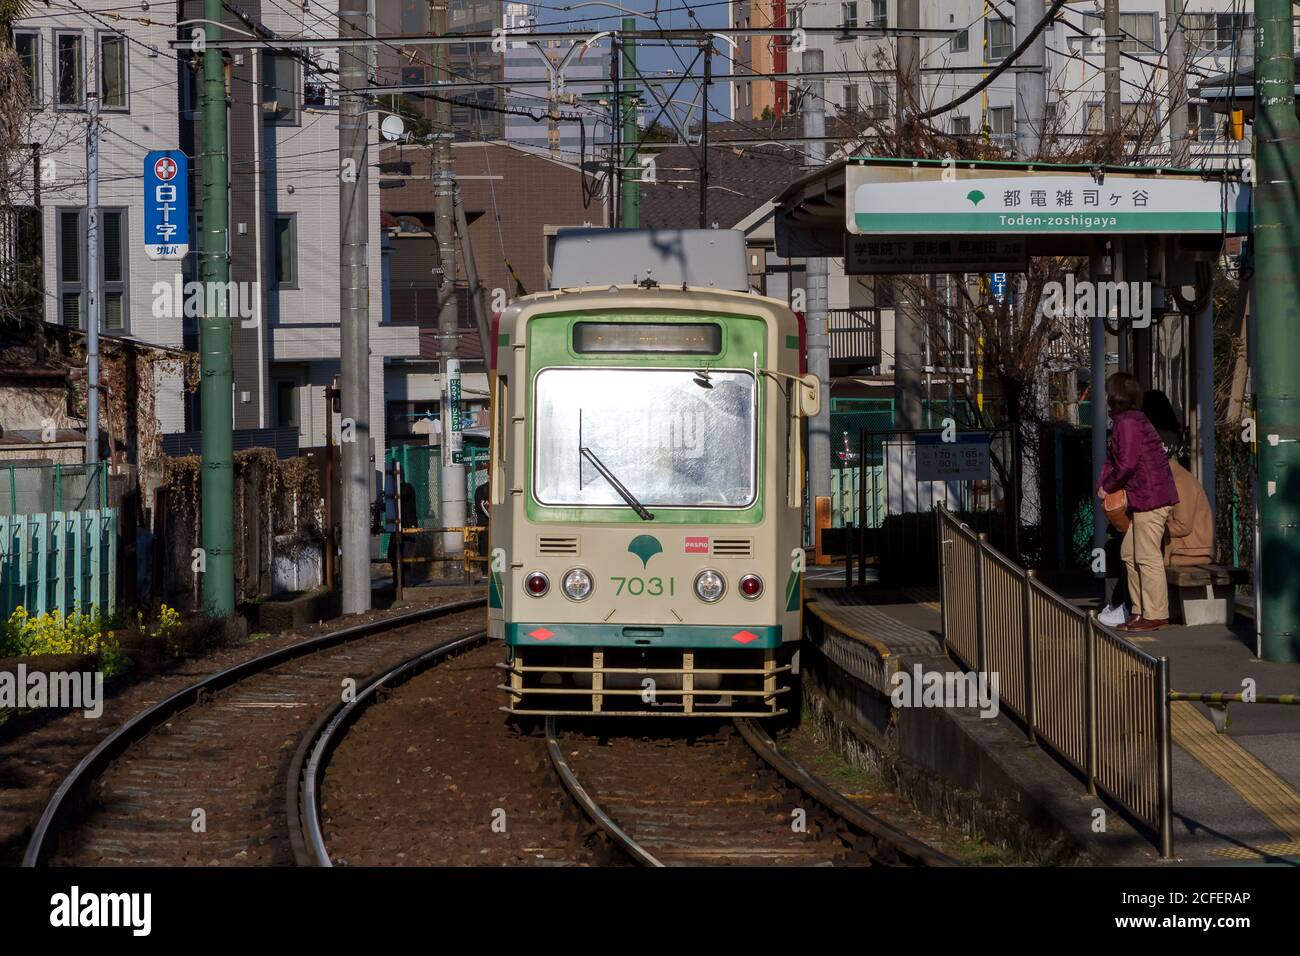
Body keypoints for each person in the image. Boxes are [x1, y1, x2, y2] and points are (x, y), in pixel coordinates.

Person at [1096, 373, 1179, 631]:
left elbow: (1127, 463)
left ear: (1115, 396)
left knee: (1146, 556)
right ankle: (1139, 611)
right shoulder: (1131, 420)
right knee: (1130, 553)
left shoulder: (1128, 423)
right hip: (1146, 496)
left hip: (1150, 497)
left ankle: (1155, 613)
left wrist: (1107, 487)